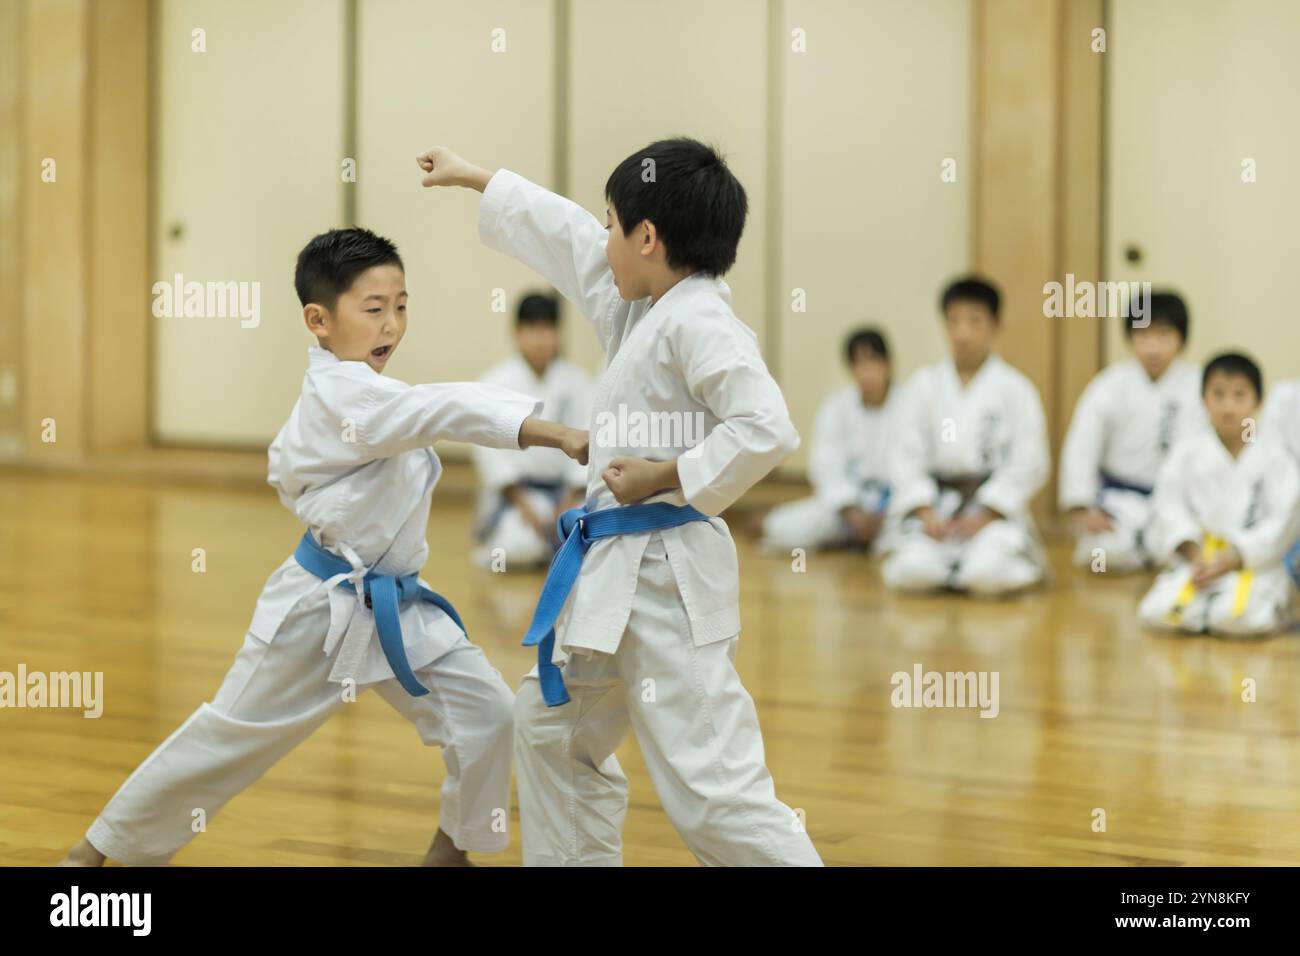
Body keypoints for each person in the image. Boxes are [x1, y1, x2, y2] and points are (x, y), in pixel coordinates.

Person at [59, 227, 587, 867]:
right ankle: (93, 856)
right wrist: (556, 433)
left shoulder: (367, 392)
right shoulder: (344, 393)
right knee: (229, 738)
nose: (392, 322)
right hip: (317, 608)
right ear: (319, 319)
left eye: (401, 304)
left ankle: (451, 854)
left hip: (397, 604)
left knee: (488, 715)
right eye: (373, 308)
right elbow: (442, 408)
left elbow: (297, 457)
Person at [418, 138, 823, 866]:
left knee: (712, 793)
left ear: (648, 237)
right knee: (549, 730)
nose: (602, 238)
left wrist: (665, 475)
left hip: (667, 577)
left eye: (615, 224)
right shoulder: (646, 307)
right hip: (614, 576)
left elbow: (768, 427)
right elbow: (571, 238)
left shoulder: (700, 320)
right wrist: (479, 179)